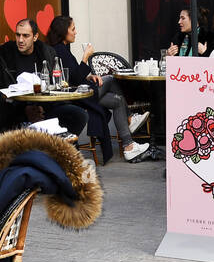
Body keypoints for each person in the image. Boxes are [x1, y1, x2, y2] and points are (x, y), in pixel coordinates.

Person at [46, 15, 150, 162]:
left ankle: (129, 146)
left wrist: (89, 77)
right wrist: (85, 57)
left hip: (80, 93)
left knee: (117, 100)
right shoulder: (59, 50)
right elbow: (73, 79)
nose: (76, 32)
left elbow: (73, 75)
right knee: (112, 79)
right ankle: (129, 118)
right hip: (75, 97)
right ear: (64, 31)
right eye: (73, 29)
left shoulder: (63, 48)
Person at [0, 19, 88, 137]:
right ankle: (51, 149)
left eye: (25, 36)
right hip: (14, 110)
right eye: (18, 35)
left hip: (45, 108)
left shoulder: (47, 53)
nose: (20, 40)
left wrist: (42, 107)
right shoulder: (4, 55)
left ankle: (60, 149)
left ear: (35, 37)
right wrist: (24, 110)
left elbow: (55, 85)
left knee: (79, 115)